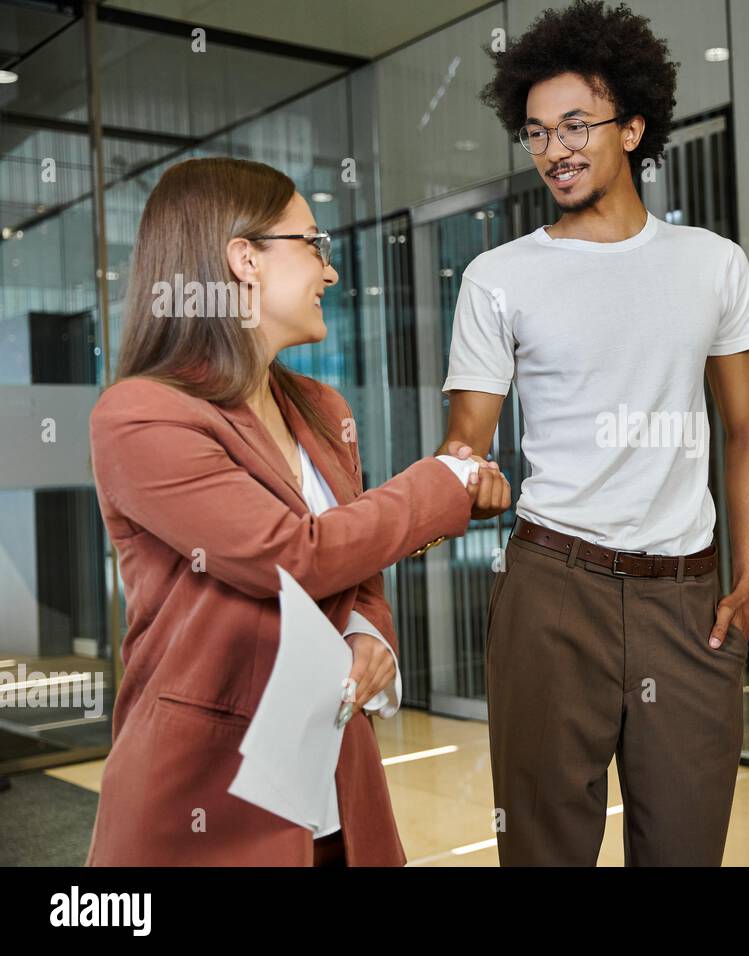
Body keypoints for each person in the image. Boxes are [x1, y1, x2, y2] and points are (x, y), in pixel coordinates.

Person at [87, 157, 510, 866]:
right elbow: (290, 553)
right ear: (243, 258)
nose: (331, 271)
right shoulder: (140, 416)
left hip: (335, 785)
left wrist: (369, 636)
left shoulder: (322, 409)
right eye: (313, 243)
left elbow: (355, 567)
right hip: (207, 793)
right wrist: (442, 481)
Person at [440, 0, 749, 865]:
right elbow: (464, 441)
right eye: (537, 131)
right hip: (553, 586)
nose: (555, 148)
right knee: (545, 850)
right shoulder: (497, 278)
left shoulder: (712, 263)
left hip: (689, 599)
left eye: (576, 124)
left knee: (686, 846)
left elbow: (746, 432)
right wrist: (468, 479)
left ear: (632, 126)